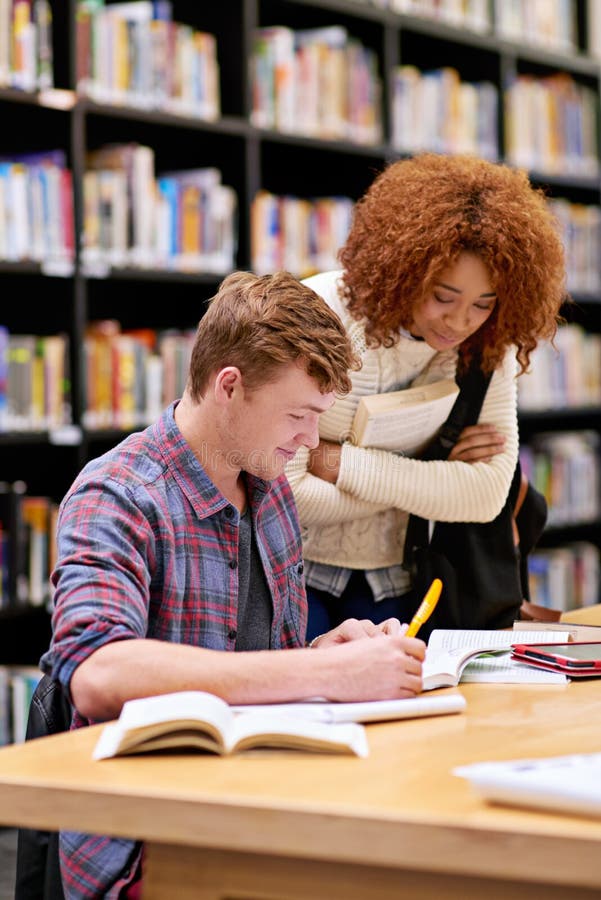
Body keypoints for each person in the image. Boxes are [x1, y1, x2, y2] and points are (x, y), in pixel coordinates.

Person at [39, 270, 425, 899]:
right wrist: (325, 678)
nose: (308, 441)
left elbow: (249, 666)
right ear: (229, 386)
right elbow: (98, 673)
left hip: (258, 798)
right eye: (298, 415)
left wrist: (322, 655)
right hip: (150, 839)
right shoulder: (117, 494)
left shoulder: (268, 487)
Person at [285, 153, 566, 642]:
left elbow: (484, 495)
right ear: (405, 267)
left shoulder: (488, 346)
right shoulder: (317, 314)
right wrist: (431, 480)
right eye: (443, 296)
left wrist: (339, 464)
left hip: (402, 578)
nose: (460, 322)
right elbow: (287, 495)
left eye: (484, 303)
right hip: (290, 571)